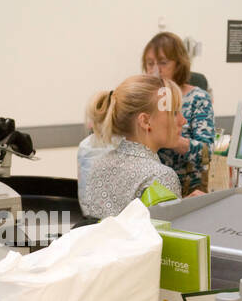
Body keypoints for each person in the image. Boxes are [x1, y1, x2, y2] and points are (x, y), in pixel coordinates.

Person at [80, 75, 197, 219]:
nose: (183, 121)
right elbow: (167, 237)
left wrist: (179, 205)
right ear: (145, 121)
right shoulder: (160, 177)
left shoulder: (99, 164)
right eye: (173, 113)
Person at [142, 32, 215, 195]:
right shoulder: (144, 99)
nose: (155, 70)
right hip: (150, 189)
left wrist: (173, 140)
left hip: (189, 191)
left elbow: (206, 153)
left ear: (179, 64)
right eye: (150, 63)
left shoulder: (198, 99)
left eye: (163, 63)